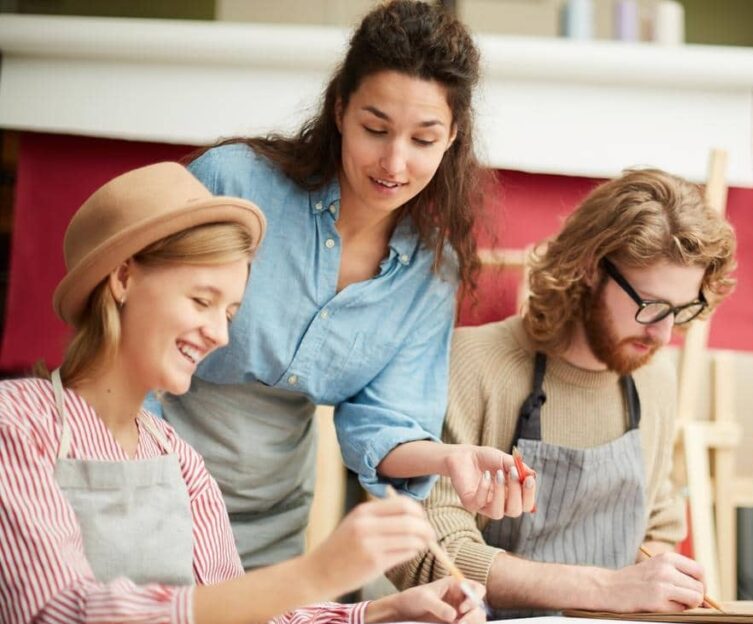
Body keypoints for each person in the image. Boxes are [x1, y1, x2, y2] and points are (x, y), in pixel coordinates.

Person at [0, 163, 485, 624]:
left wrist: (387, 611)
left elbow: (237, 611)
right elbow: (51, 617)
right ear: (124, 277)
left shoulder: (177, 457)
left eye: (230, 312)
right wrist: (315, 572)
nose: (219, 334)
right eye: (201, 300)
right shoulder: (17, 424)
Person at [158, 0, 532, 571]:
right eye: (374, 129)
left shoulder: (431, 271)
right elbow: (130, 331)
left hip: (267, 521)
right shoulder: (232, 184)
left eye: (423, 140)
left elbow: (383, 426)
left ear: (453, 136)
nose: (394, 162)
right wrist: (136, 479)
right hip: (143, 483)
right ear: (339, 109)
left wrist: (451, 458)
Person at [389, 169, 737, 616]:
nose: (664, 334)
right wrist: (599, 589)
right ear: (591, 268)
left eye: (681, 309)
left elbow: (658, 523)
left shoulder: (655, 379)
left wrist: (657, 579)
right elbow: (422, 547)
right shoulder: (473, 363)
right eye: (650, 306)